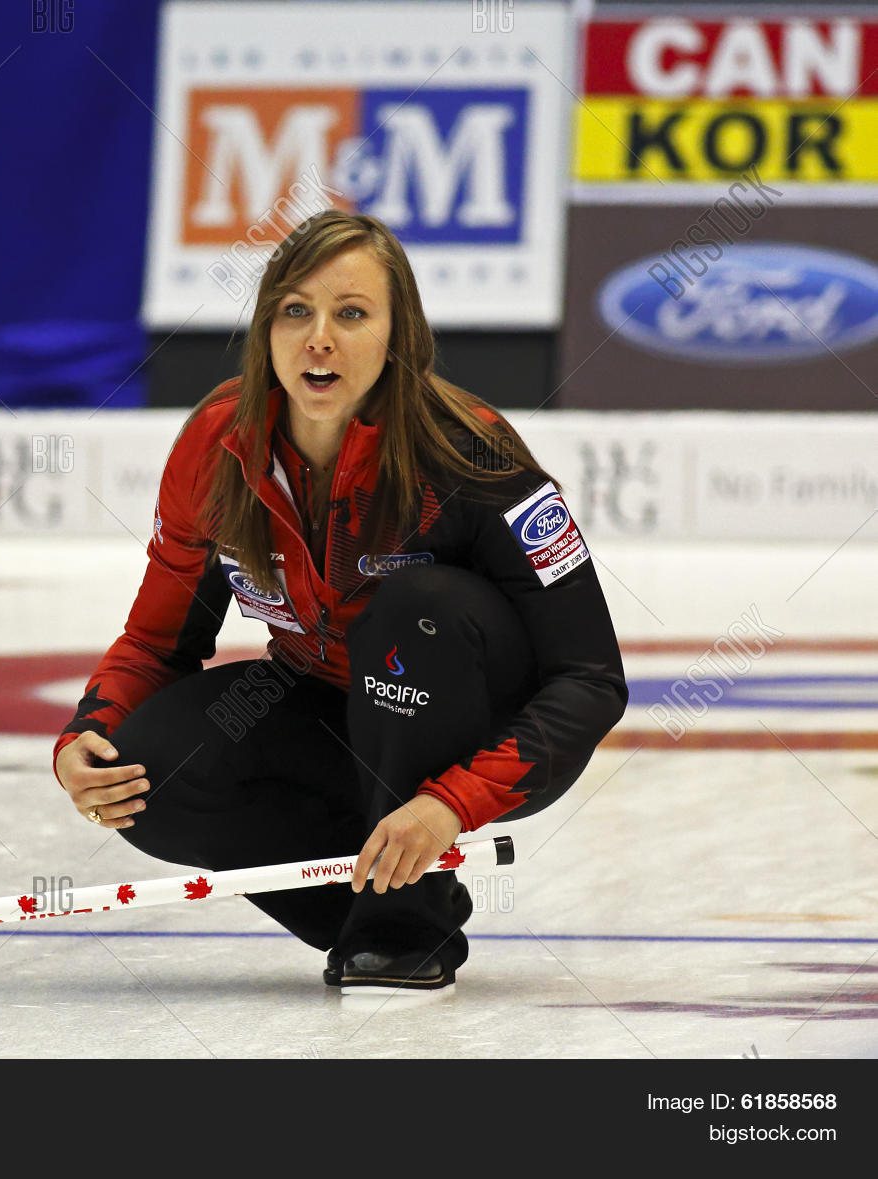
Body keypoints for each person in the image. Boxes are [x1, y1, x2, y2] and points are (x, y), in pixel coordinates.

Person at [52, 209, 628, 993]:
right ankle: (383, 916)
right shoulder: (215, 448)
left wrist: (452, 804)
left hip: (478, 726)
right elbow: (157, 642)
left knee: (413, 609)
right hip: (329, 707)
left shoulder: (471, 451)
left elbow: (590, 679)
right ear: (265, 333)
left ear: (399, 337)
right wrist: (91, 728)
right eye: (296, 312)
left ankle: (404, 920)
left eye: (351, 314)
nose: (319, 337)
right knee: (150, 771)